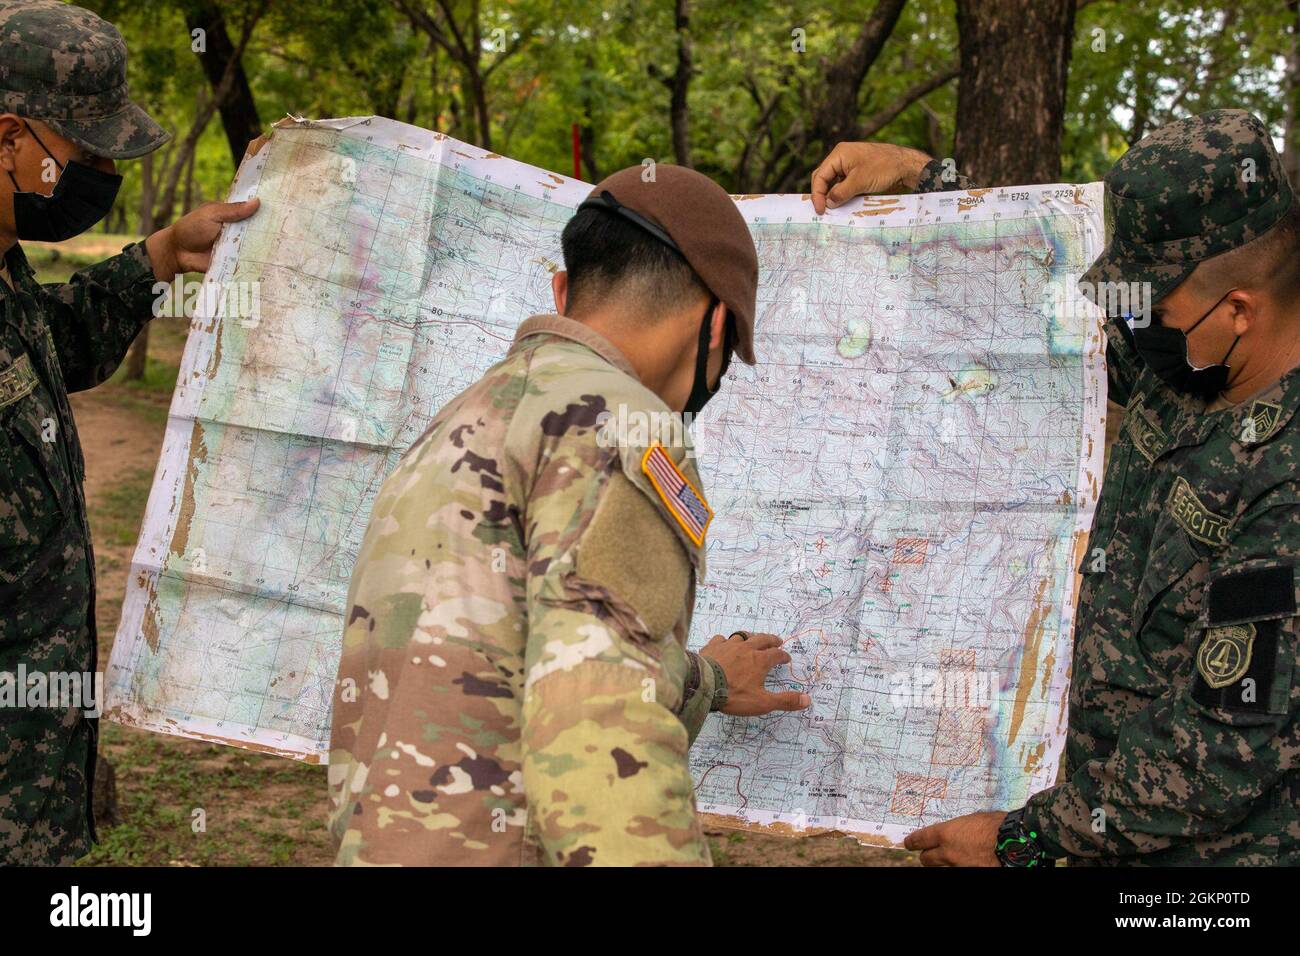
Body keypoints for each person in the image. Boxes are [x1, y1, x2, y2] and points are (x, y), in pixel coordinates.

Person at [812, 109, 1300, 866]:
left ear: (1238, 310)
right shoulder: (1190, 367)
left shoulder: (1285, 484)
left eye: (1152, 307)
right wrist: (920, 176)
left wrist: (1023, 843)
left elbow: (1219, 755)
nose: (1132, 323)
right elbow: (1033, 297)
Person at [328, 164, 811, 866]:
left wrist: (701, 680)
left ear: (563, 290)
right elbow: (599, 731)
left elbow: (509, 650)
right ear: (713, 326)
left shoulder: (462, 416)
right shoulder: (627, 425)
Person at [0, 0, 259, 864]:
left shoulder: (3, 266)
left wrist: (159, 254)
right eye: (87, 149)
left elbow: (49, 348)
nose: (105, 169)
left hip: (32, 785)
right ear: (10, 139)